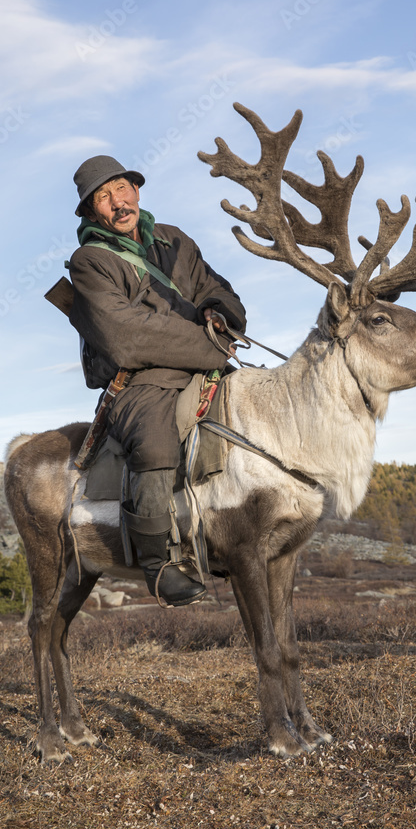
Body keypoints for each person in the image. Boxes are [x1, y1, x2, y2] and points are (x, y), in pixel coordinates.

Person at [68, 155, 246, 606]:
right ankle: (159, 561)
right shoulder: (90, 261)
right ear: (93, 213)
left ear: (137, 191)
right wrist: (209, 345)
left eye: (121, 189)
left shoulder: (174, 240)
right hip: (140, 380)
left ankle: (235, 534)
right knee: (154, 439)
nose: (117, 202)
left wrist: (218, 314)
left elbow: (216, 287)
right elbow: (126, 336)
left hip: (205, 364)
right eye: (103, 198)